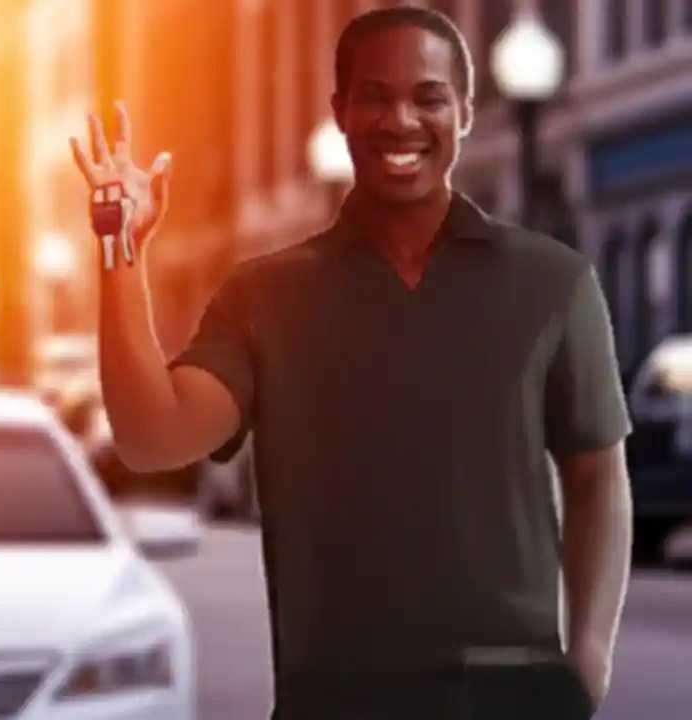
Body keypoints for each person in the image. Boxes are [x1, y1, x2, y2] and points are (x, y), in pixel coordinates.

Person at [69, 7, 632, 719]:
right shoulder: (267, 296)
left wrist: (588, 656)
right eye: (375, 95)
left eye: (428, 96)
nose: (401, 119)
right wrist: (122, 251)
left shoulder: (553, 283)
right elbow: (153, 438)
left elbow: (597, 477)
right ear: (340, 112)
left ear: (463, 111)